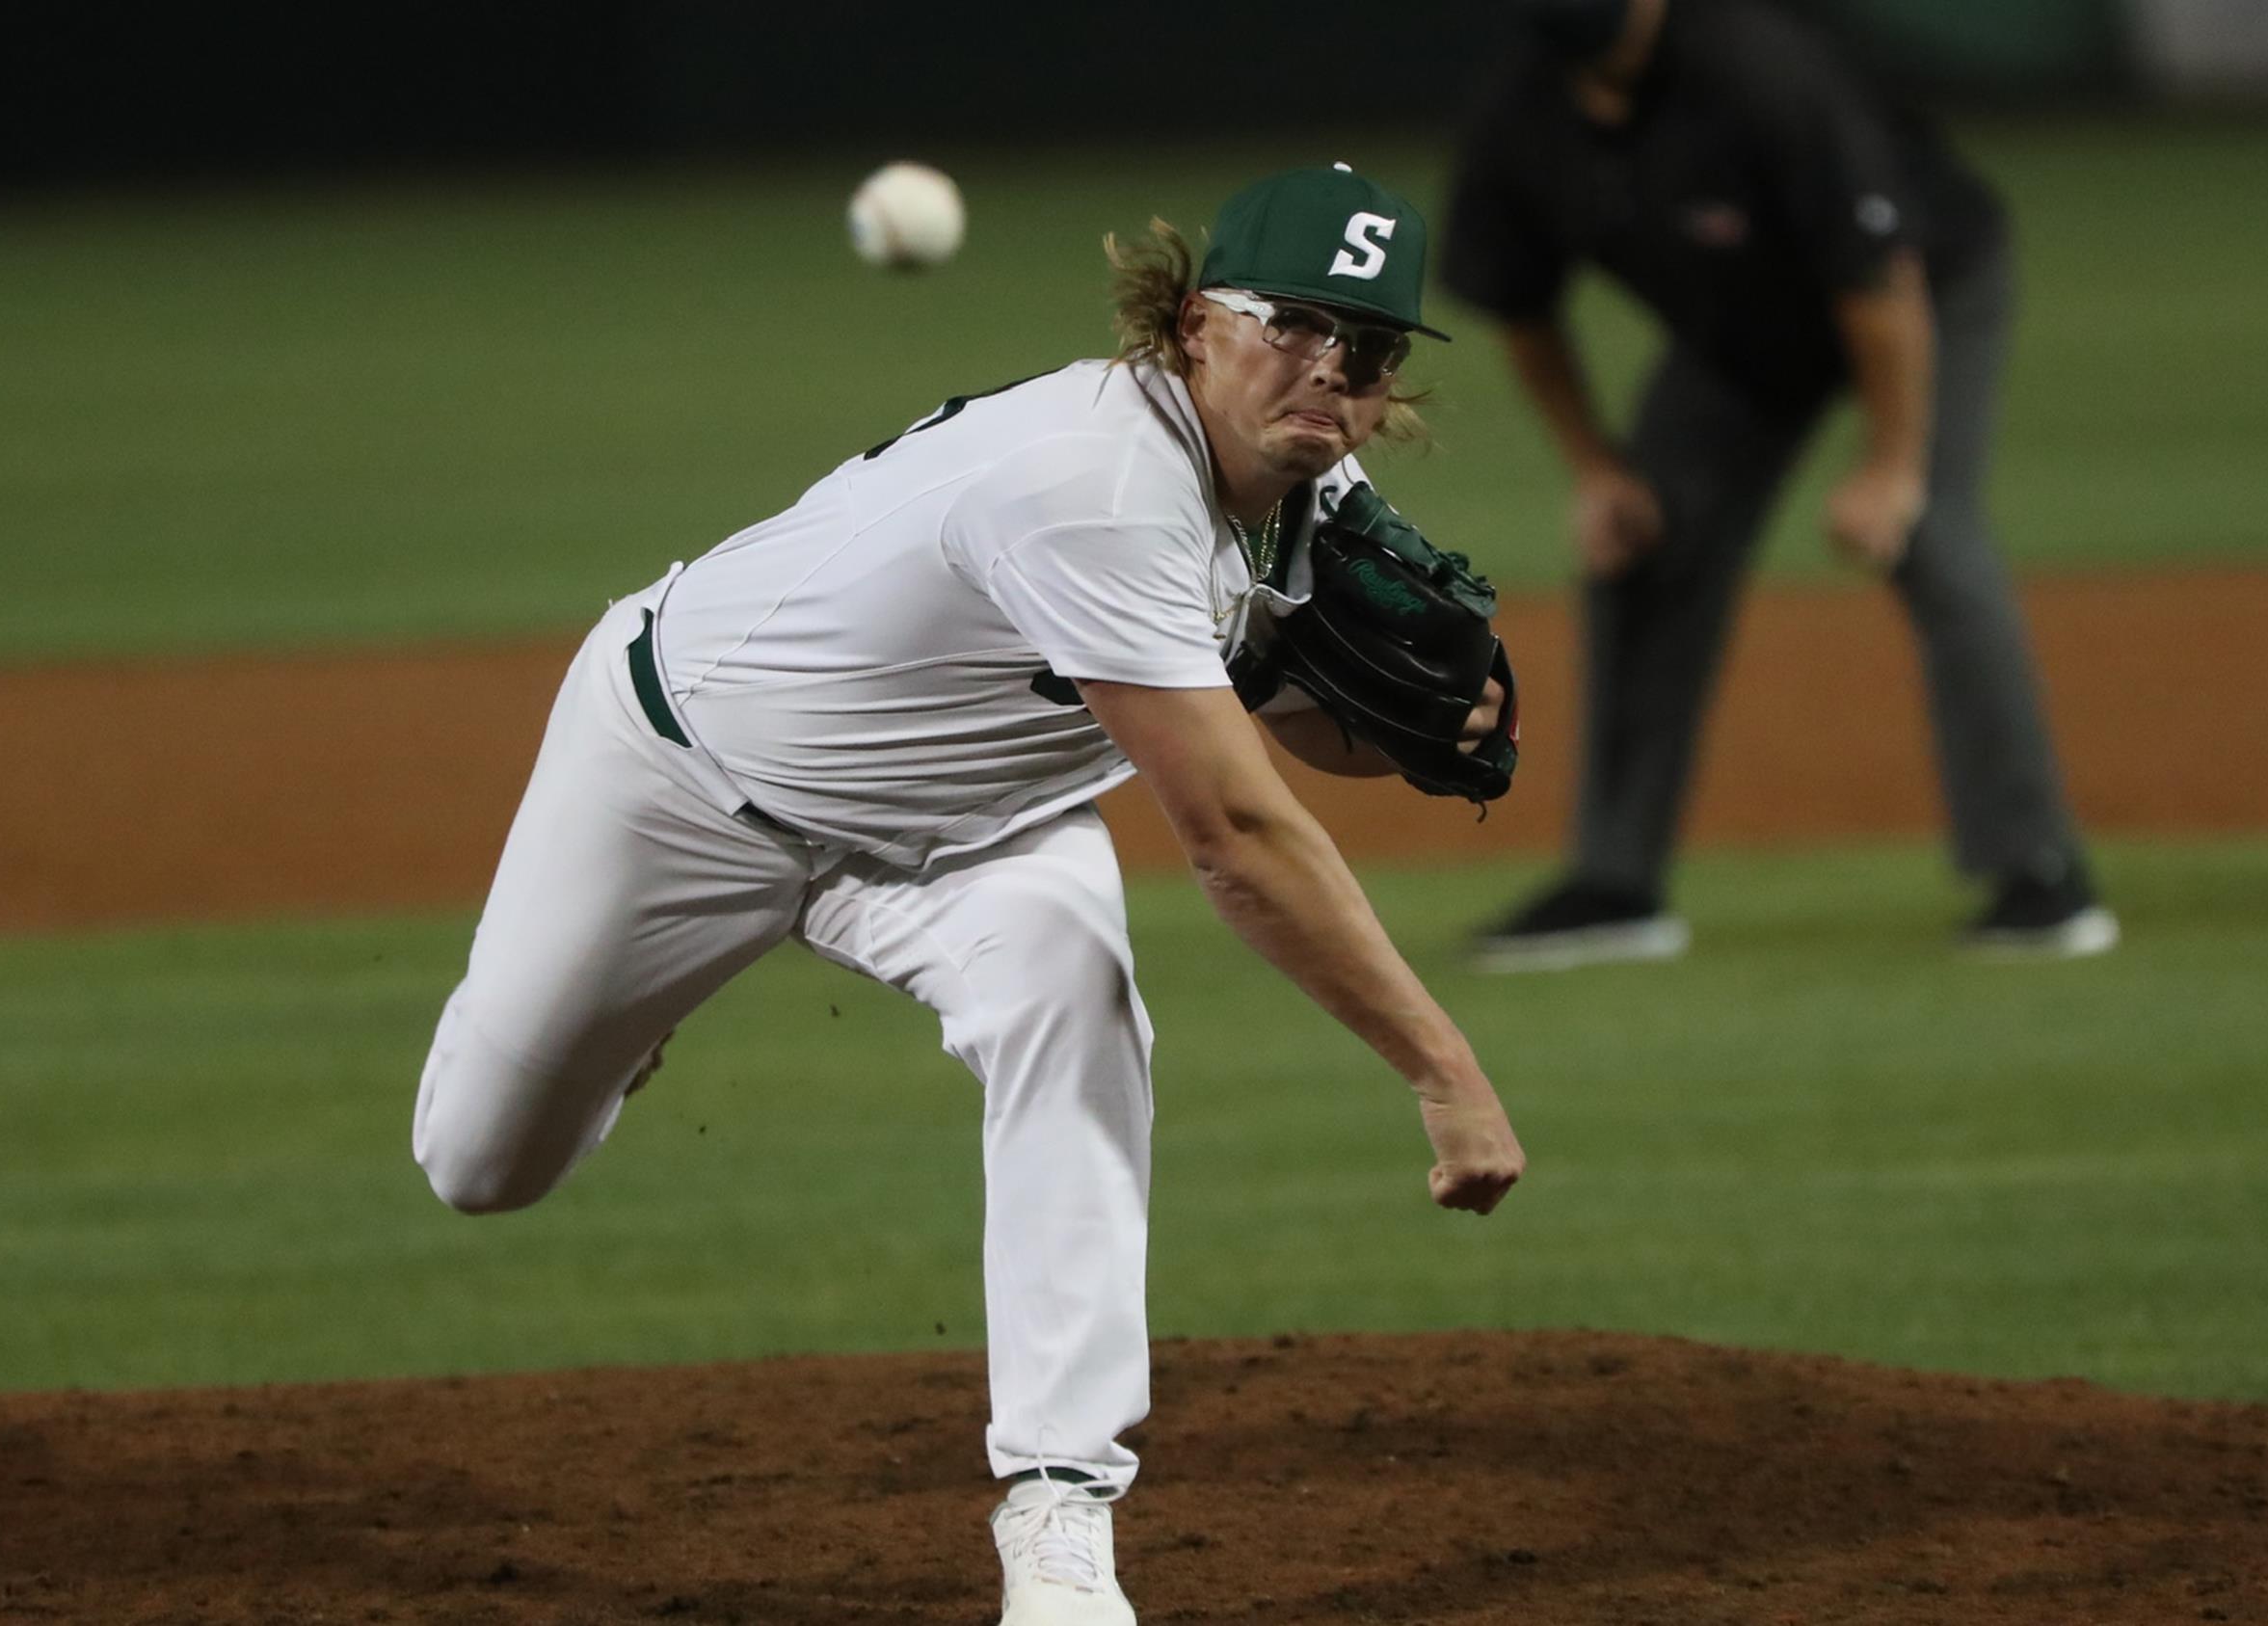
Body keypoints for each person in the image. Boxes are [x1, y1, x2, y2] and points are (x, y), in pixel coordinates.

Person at [410, 165, 1526, 1626]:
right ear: (1195, 324)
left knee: (1074, 991)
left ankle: (1061, 1510)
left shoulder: (1302, 492)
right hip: (681, 786)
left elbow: (1300, 715)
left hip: (967, 835)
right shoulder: (1096, 482)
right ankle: (627, 1007)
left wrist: (1406, 720)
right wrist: (1444, 1070)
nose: (1329, 369)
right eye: (1296, 324)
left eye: (1368, 350)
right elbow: (1240, 836)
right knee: (480, 1166)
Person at [1445, 0, 2121, 969]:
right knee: (1642, 539)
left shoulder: (1760, 73)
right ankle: (1616, 882)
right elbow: (1521, 306)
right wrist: (1598, 470)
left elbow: (1877, 275)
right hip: (1743, 338)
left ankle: (2041, 873)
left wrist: (1890, 465)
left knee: (1931, 536)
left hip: (1923, 286)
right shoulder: (1519, 115)